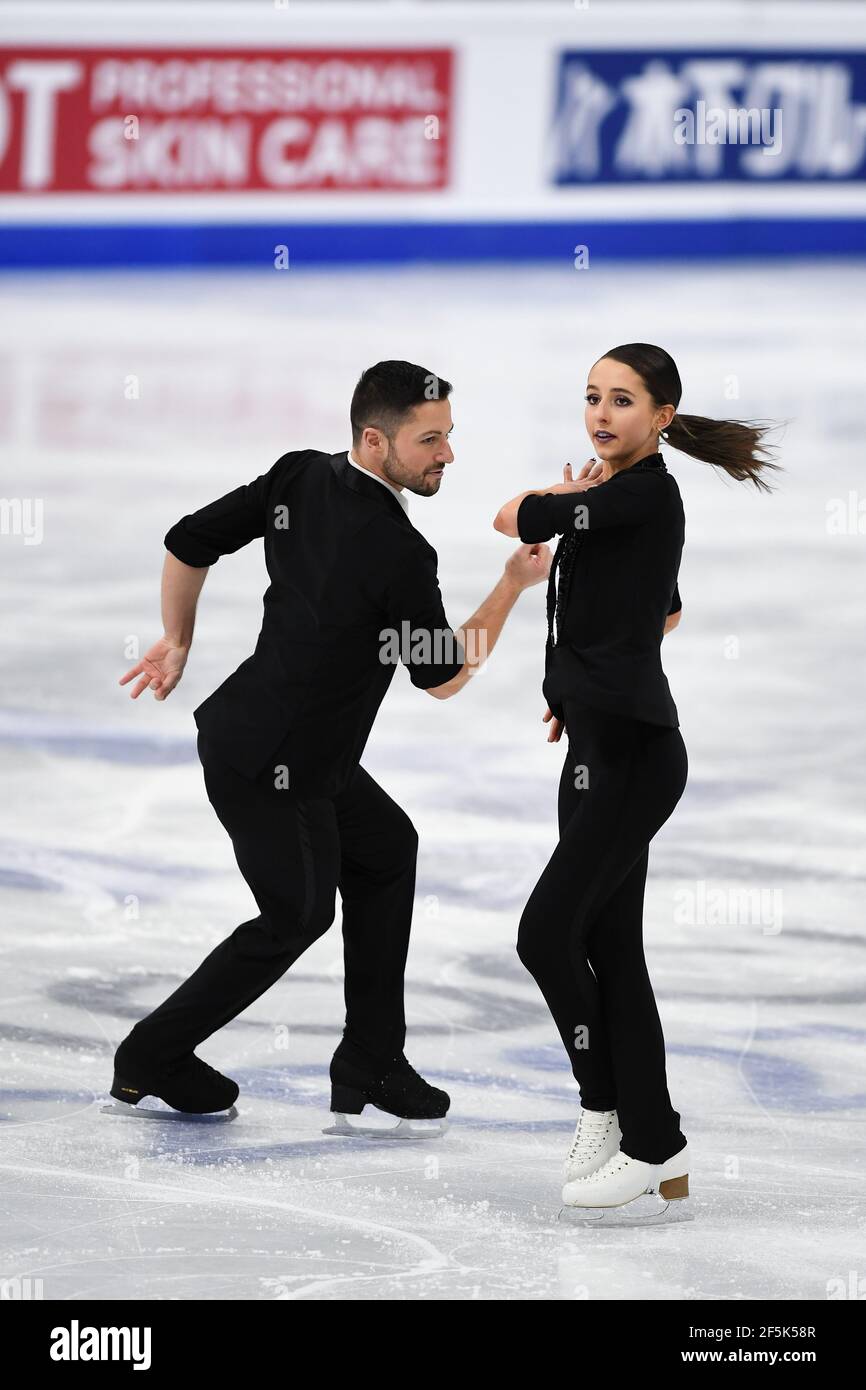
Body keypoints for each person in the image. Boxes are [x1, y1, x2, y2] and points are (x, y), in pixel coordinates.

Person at [109, 360, 552, 1131]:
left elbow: (189, 541)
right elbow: (442, 677)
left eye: (448, 437)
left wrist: (178, 638)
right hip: (275, 764)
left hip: (273, 737)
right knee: (296, 917)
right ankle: (153, 1053)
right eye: (430, 441)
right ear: (375, 440)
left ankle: (371, 1060)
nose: (446, 456)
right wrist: (512, 584)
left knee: (385, 850)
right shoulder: (398, 551)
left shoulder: (299, 478)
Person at [493, 342, 780, 1209]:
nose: (601, 414)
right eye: (592, 397)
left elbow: (514, 519)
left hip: (636, 757)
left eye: (622, 400)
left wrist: (569, 500)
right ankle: (657, 1140)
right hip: (596, 747)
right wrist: (582, 684)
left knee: (545, 935)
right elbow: (667, 608)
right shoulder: (624, 502)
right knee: (611, 949)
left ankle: (615, 1113)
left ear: (661, 417)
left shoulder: (641, 492)